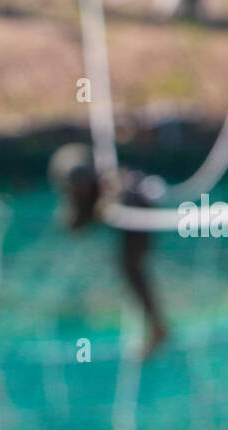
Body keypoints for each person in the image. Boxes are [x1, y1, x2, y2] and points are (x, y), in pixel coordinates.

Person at [48, 143, 170, 358]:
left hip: (133, 204)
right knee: (129, 268)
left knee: (130, 267)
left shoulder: (111, 184)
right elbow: (76, 223)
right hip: (113, 200)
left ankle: (157, 328)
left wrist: (110, 202)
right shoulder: (76, 186)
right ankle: (156, 327)